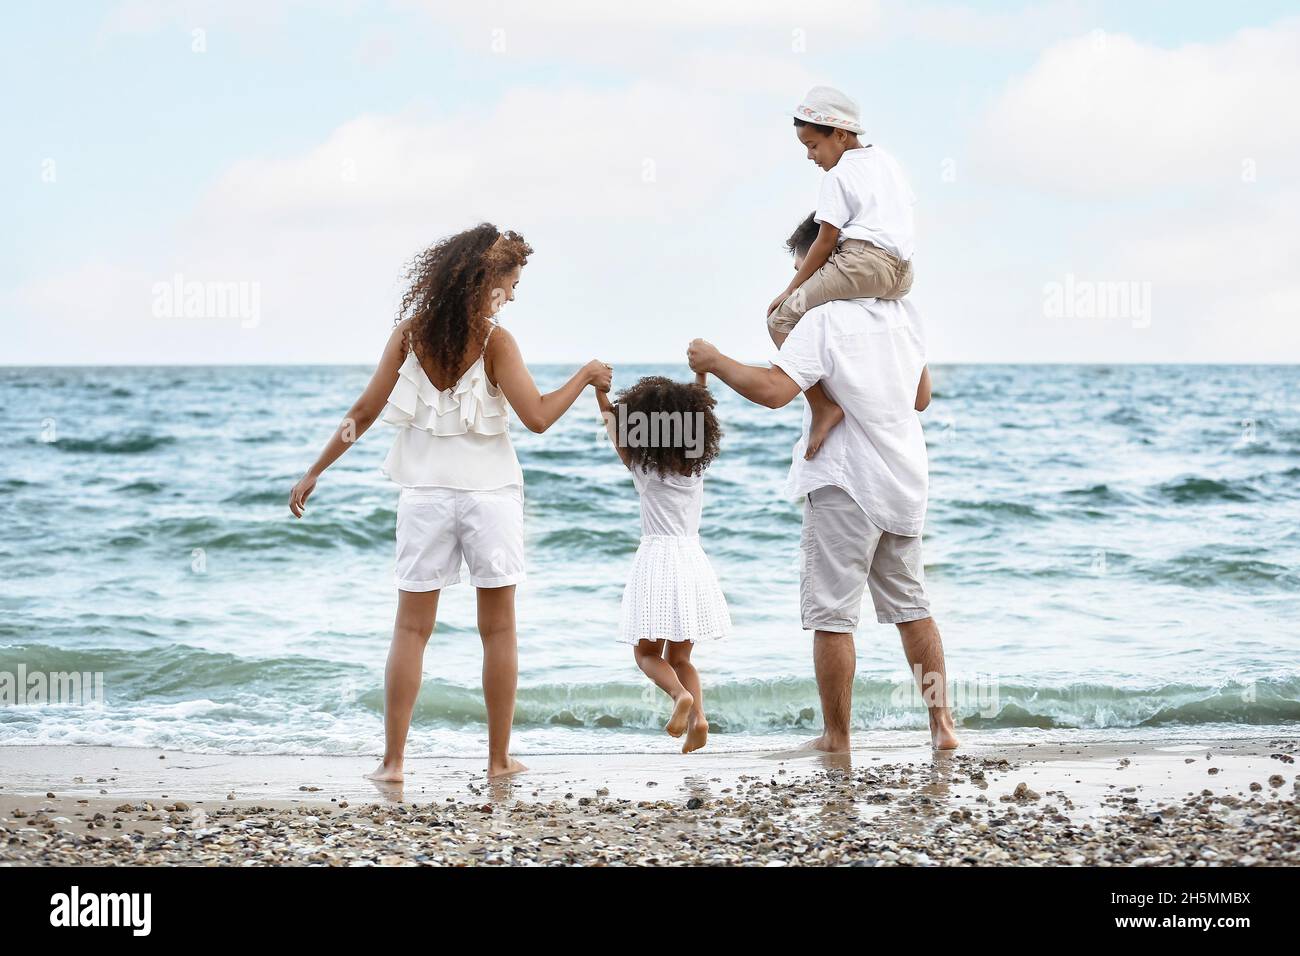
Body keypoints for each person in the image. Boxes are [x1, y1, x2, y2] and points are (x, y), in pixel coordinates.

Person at [288, 223, 613, 779]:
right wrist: (584, 376)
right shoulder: (495, 342)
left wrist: (315, 469)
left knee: (411, 629)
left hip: (425, 499)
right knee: (499, 630)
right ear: (486, 282)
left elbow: (364, 412)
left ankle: (392, 763)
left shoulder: (409, 336)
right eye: (509, 286)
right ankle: (497, 760)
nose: (510, 298)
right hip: (491, 499)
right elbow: (536, 418)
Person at [686, 215, 957, 753]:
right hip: (903, 480)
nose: (800, 282)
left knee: (832, 616)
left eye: (802, 269)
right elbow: (921, 397)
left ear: (827, 264)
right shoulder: (905, 314)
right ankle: (943, 727)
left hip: (846, 482)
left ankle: (837, 737)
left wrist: (715, 361)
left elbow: (772, 391)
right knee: (913, 609)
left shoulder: (822, 319)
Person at [767, 85, 919, 458]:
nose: (809, 156)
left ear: (839, 133)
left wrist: (789, 290)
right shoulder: (887, 162)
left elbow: (824, 240)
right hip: (902, 273)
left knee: (778, 319)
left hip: (862, 263)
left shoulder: (837, 177)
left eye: (813, 145)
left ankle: (823, 405)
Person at [595, 373, 729, 753]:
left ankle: (679, 697)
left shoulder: (644, 470)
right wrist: (700, 379)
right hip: (691, 561)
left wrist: (600, 394)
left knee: (647, 654)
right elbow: (698, 403)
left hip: (656, 561)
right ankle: (699, 719)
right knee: (682, 656)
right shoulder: (695, 471)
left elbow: (612, 429)